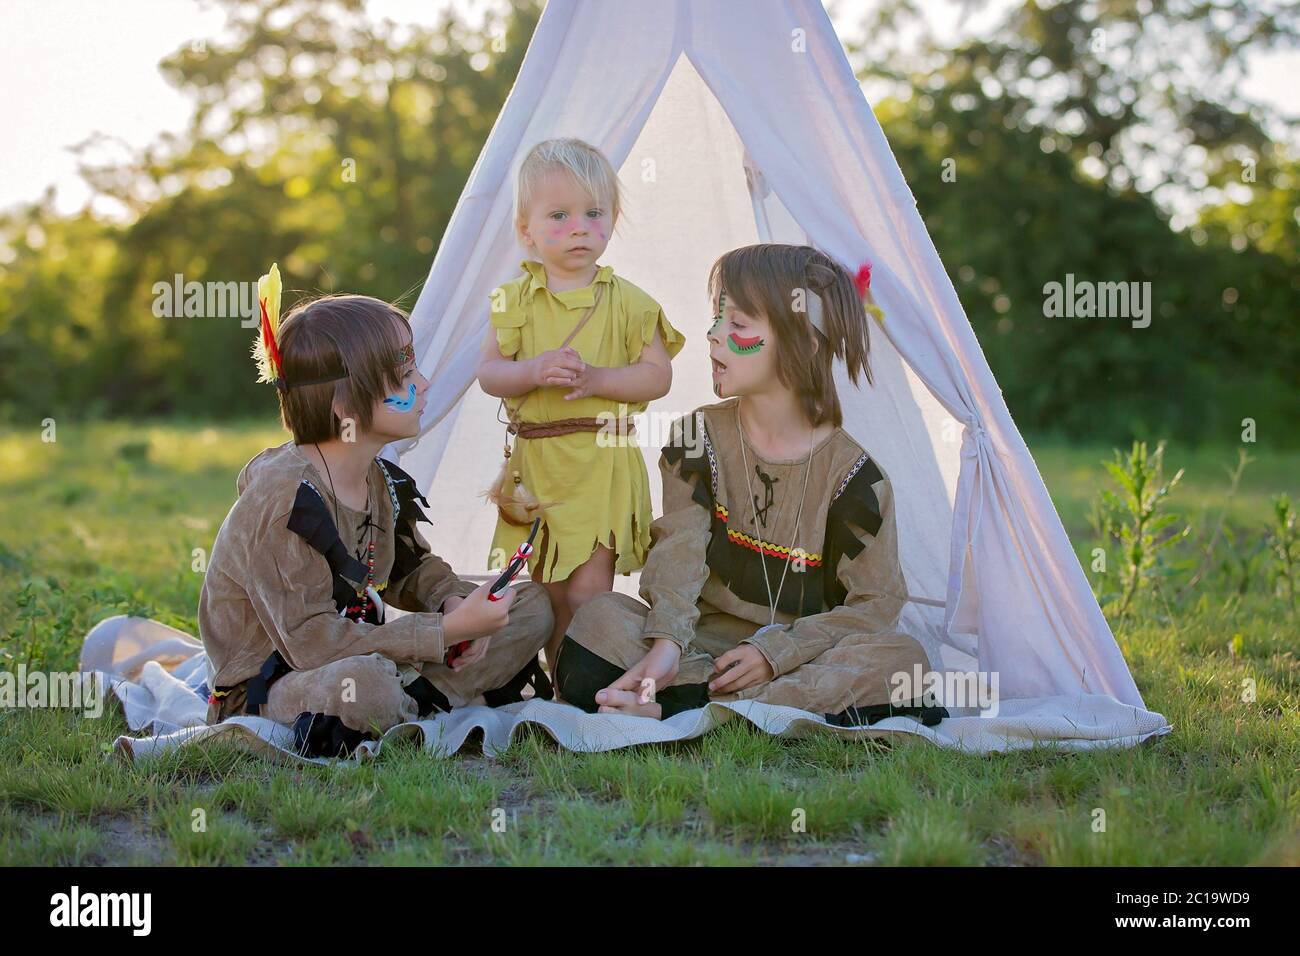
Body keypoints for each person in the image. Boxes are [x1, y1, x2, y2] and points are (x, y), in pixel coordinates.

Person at [553, 244, 946, 727]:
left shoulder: (858, 478)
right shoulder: (696, 438)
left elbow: (875, 605)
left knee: (903, 661)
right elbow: (679, 552)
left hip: (801, 658)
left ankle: (690, 711)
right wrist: (666, 647)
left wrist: (775, 652)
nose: (714, 336)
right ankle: (734, 709)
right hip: (699, 651)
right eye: (717, 320)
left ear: (803, 342)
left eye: (737, 325)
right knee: (598, 620)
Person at [198, 264, 554, 757]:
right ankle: (422, 704)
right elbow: (310, 643)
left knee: (529, 603)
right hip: (277, 683)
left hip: (371, 650)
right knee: (367, 685)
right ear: (346, 403)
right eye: (406, 376)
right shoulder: (283, 497)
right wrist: (445, 632)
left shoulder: (376, 477)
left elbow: (413, 568)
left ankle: (421, 704)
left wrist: (453, 602)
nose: (426, 385)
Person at [476, 138, 685, 670]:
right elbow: (490, 373)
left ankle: (581, 680)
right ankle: (553, 680)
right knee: (547, 591)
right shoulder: (512, 299)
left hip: (600, 462)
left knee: (588, 590)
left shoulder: (632, 303)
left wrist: (596, 378)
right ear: (526, 229)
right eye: (559, 214)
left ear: (613, 220)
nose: (579, 227)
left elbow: (656, 378)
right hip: (539, 465)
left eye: (595, 213)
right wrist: (531, 370)